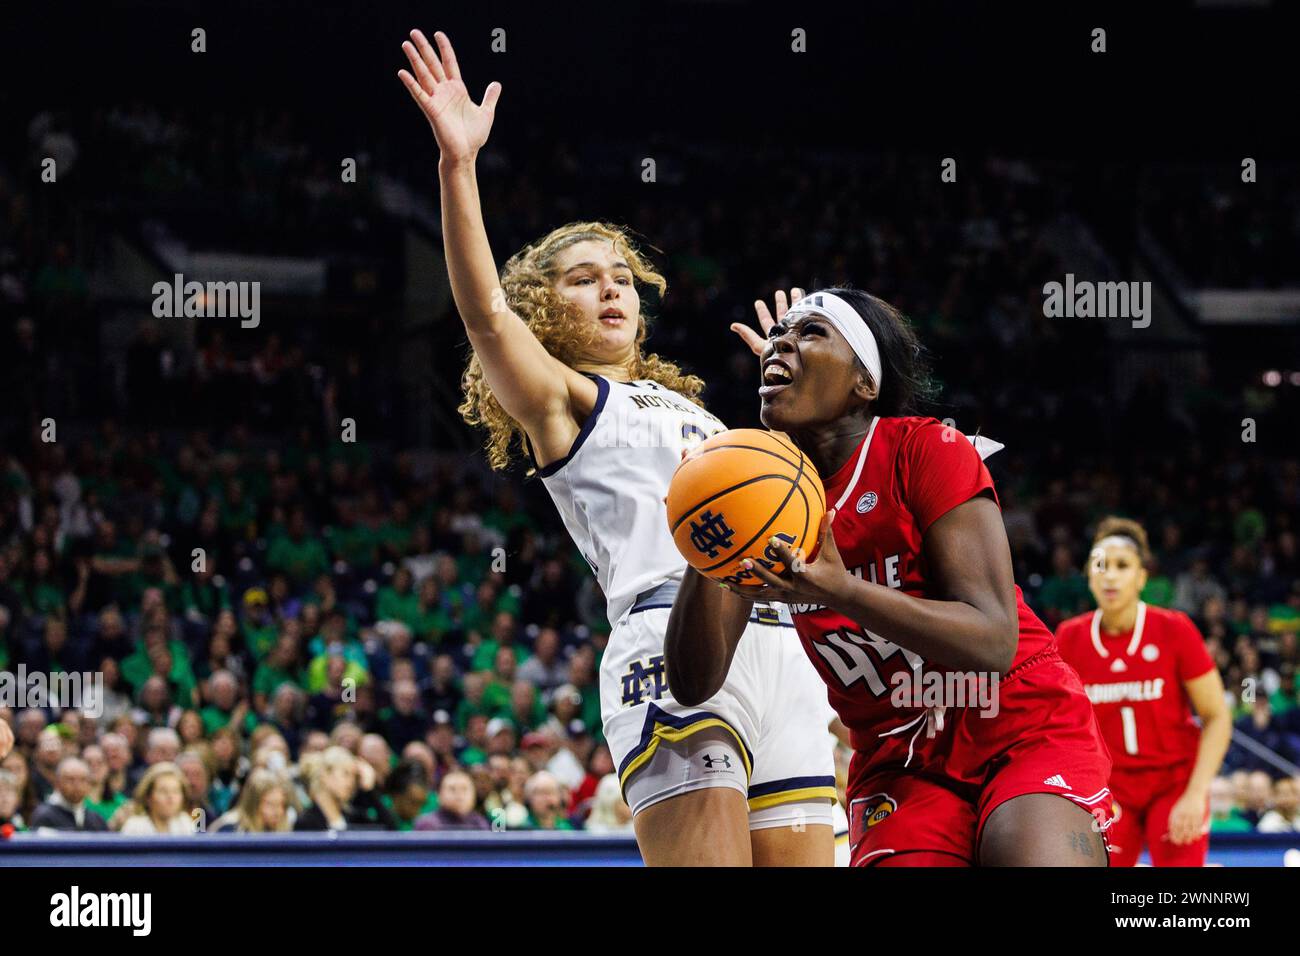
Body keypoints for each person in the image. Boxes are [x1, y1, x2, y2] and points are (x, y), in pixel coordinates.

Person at [397, 29, 835, 866]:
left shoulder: (700, 410)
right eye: (583, 276)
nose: (611, 287)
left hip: (780, 643)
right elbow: (486, 314)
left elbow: (796, 509)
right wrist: (458, 168)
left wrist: (795, 411)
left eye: (623, 277)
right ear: (545, 306)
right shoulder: (565, 400)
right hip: (672, 635)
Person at [666, 287, 1115, 866]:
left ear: (865, 383)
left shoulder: (929, 449)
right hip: (897, 760)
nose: (781, 342)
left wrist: (844, 590)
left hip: (1016, 722)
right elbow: (693, 682)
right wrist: (709, 525)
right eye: (779, 336)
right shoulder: (762, 494)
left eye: (811, 333)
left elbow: (993, 642)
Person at [1057, 517, 1230, 866]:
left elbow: (1216, 716)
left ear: (1141, 577)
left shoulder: (1174, 629)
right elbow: (1057, 726)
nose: (1110, 575)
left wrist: (1196, 794)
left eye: (1122, 566)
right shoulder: (1069, 638)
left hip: (1174, 782)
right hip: (1109, 788)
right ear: (1089, 576)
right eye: (1101, 566)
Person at [295, 745, 396, 831]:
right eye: (345, 774)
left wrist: (369, 790)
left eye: (354, 777)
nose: (351, 782)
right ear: (325, 775)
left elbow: (390, 829)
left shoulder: (353, 817)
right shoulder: (306, 821)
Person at [29, 757, 108, 832]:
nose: (77, 785)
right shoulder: (44, 816)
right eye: (70, 780)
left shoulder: (96, 819)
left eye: (82, 780)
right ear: (57, 783)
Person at [119, 762, 196, 835]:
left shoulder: (185, 823)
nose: (171, 797)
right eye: (163, 791)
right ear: (148, 797)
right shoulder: (134, 827)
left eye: (175, 791)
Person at [414, 769, 490, 831]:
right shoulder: (427, 824)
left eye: (464, 789)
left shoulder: (479, 823)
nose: (459, 794)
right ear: (439, 795)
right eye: (452, 789)